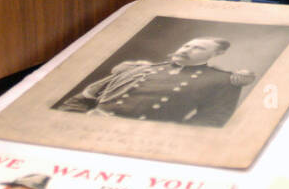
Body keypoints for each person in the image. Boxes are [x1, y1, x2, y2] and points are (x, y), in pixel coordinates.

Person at [54, 37, 255, 127]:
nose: (186, 49)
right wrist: (70, 123)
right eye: (186, 45)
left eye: (198, 48)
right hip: (90, 125)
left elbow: (211, 120)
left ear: (217, 53)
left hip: (144, 139)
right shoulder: (138, 68)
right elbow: (82, 99)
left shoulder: (221, 80)